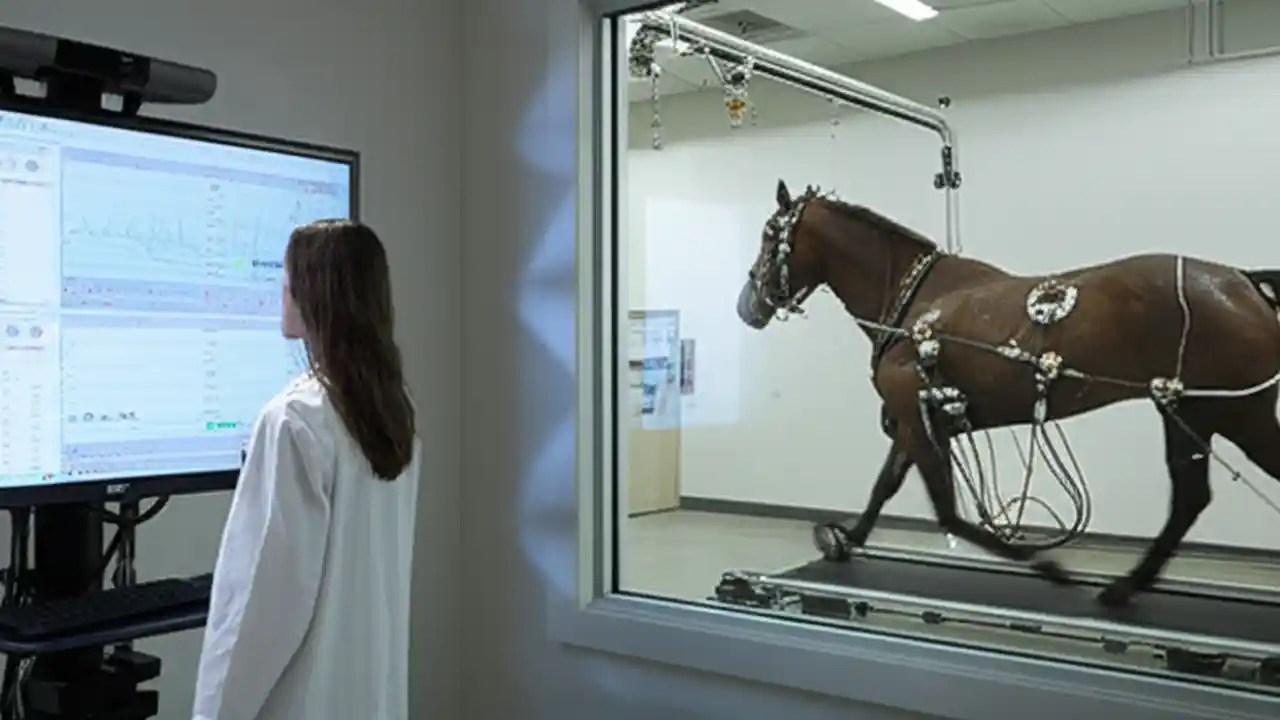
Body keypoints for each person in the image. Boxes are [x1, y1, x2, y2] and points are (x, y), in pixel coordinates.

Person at [192, 219, 420, 720]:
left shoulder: (295, 420)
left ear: (314, 295)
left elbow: (262, 605)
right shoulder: (392, 412)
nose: (282, 289)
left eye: (288, 278)